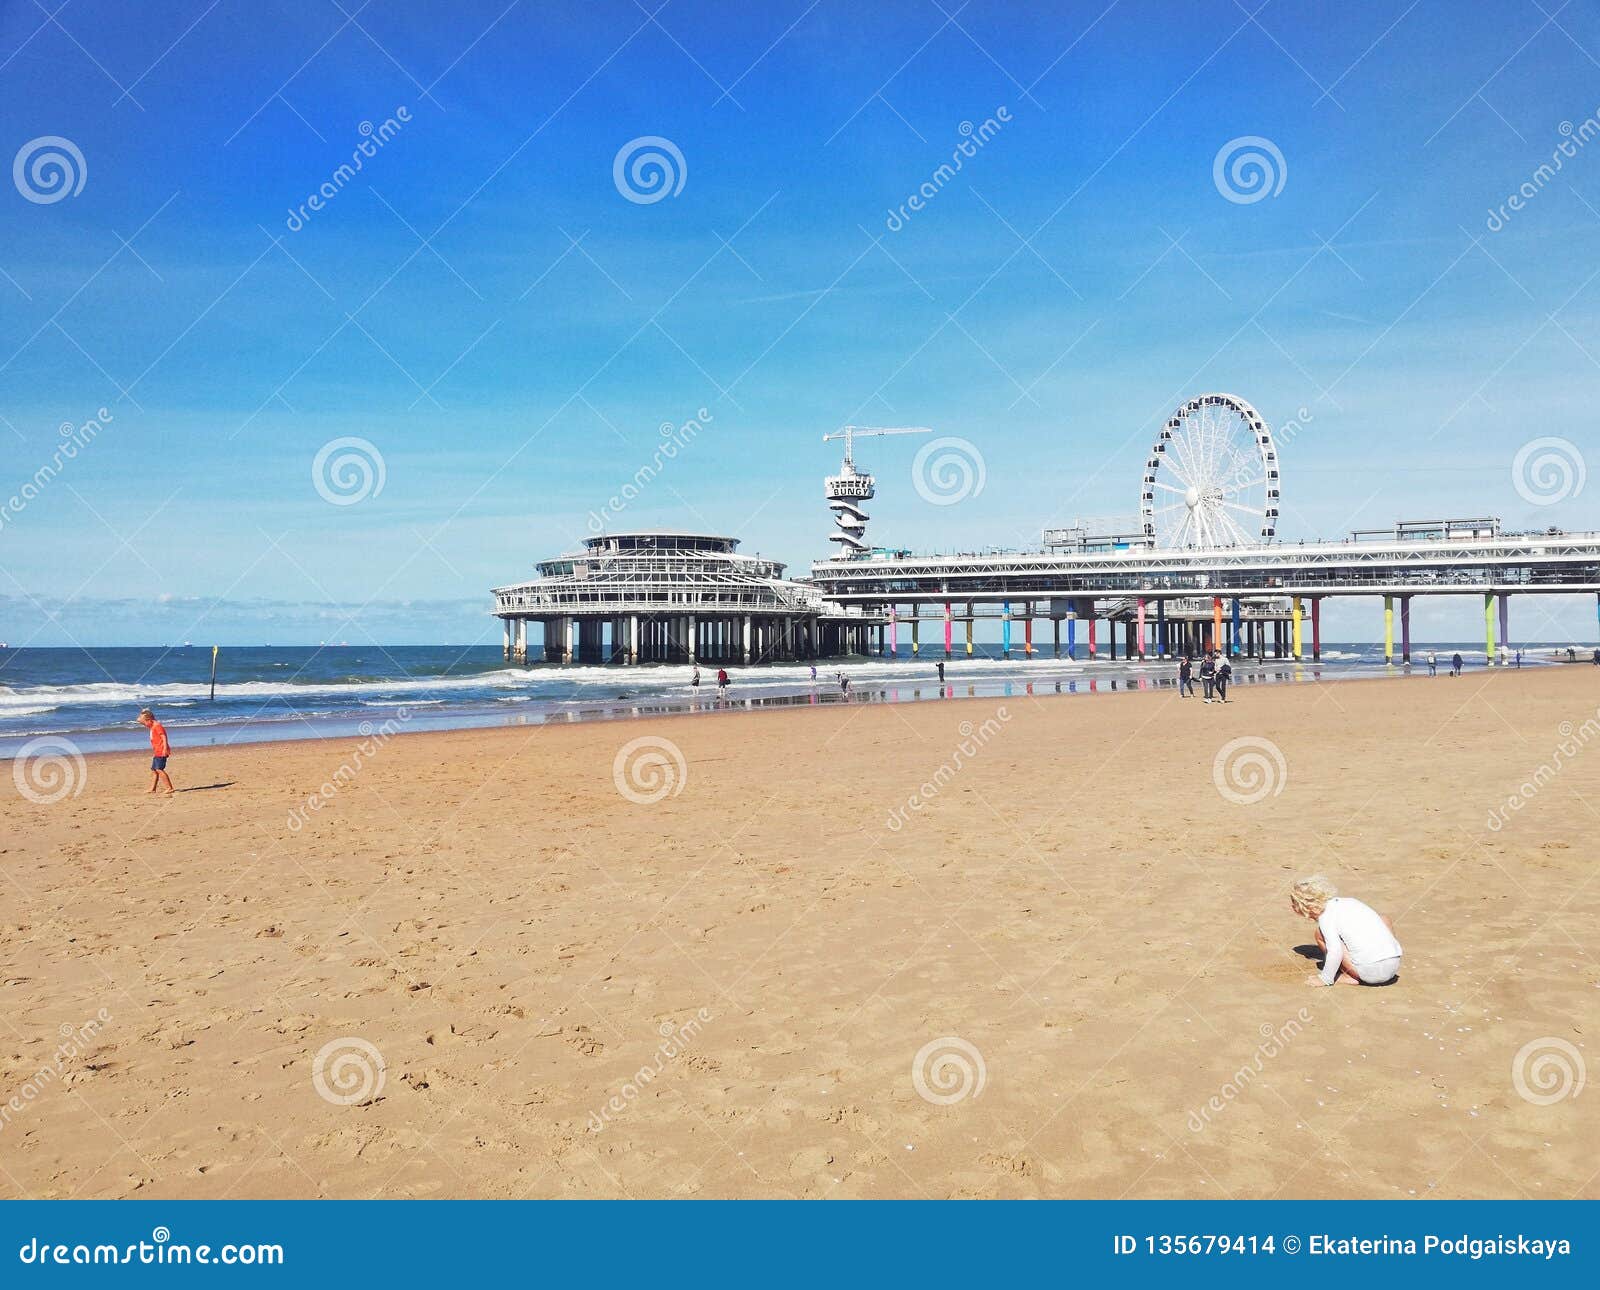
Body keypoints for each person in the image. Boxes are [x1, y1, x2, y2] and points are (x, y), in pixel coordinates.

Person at [1289, 876, 1401, 986]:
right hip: (1393, 967)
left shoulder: (1326, 916)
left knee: (1320, 934)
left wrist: (1325, 978)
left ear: (1305, 907)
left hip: (1370, 974)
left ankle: (1348, 976)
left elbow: (1335, 950)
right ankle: (1386, 954)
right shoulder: (1350, 902)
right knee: (1383, 919)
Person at [138, 708, 174, 795]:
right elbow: (138, 720)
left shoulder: (157, 726)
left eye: (145, 723)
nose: (144, 725)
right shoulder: (152, 725)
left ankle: (169, 787)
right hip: (157, 751)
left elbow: (163, 736)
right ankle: (153, 788)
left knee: (159, 769)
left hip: (161, 750)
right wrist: (143, 712)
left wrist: (165, 748)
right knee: (154, 770)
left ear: (149, 720)